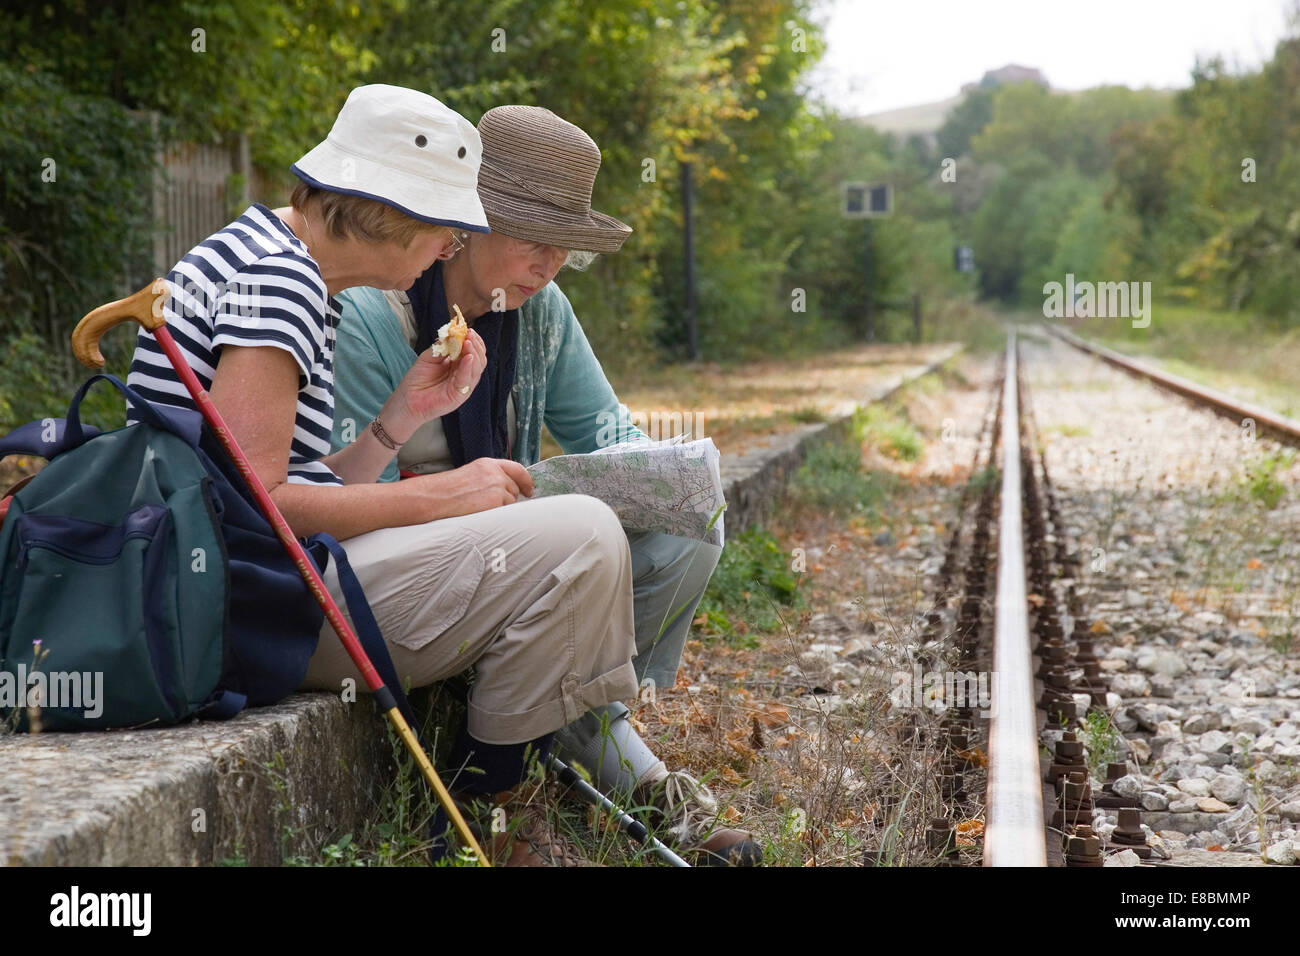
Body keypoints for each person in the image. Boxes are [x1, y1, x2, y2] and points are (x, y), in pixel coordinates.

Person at [126, 85, 639, 866]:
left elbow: (271, 478)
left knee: (566, 534)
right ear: (390, 215)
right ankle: (486, 811)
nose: (449, 250)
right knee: (583, 537)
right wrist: (435, 494)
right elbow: (257, 507)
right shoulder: (280, 282)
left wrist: (396, 421)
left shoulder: (281, 258)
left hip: (250, 583)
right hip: (246, 608)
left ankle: (508, 795)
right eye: (447, 229)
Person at [329, 105, 760, 865]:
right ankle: (552, 786)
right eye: (533, 238)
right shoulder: (376, 310)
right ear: (467, 221)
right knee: (574, 536)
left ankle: (589, 718)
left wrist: (665, 473)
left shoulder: (542, 312)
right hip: (410, 563)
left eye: (568, 246)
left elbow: (607, 433)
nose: (551, 262)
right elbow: (343, 499)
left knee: (688, 528)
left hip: (508, 542)